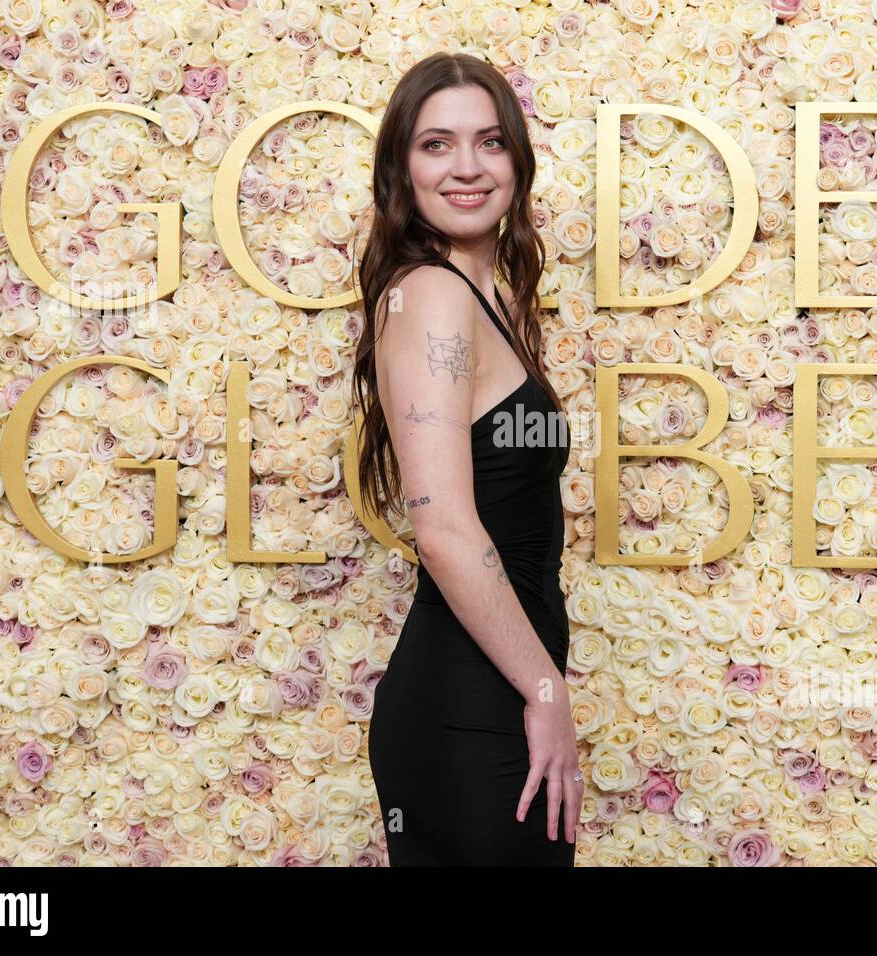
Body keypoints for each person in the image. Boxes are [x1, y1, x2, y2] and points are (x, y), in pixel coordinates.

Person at [351, 52, 580, 866]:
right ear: (400, 168)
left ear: (517, 158)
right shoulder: (435, 296)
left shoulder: (487, 296)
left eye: (489, 142)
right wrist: (545, 690)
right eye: (436, 145)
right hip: (471, 703)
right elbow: (442, 526)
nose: (468, 168)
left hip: (497, 688)